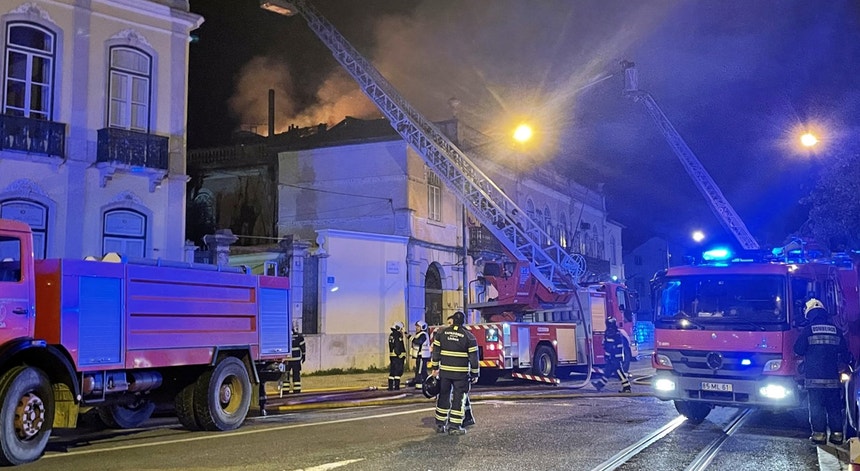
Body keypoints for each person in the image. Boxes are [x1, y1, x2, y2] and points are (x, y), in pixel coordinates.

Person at [794, 298, 850, 445]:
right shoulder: (836, 330)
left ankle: (819, 435)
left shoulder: (808, 330)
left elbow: (798, 349)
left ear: (809, 315)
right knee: (834, 407)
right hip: (832, 379)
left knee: (816, 407)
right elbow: (845, 353)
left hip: (814, 379)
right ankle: (837, 435)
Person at [430, 311, 479, 435]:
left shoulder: (441, 333)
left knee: (443, 396)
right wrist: (475, 374)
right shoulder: (469, 336)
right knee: (459, 398)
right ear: (463, 321)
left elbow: (436, 352)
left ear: (453, 320)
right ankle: (454, 426)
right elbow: (474, 358)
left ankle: (440, 424)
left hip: (445, 373)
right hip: (460, 374)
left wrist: (435, 367)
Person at [591, 317, 631, 393]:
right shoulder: (616, 332)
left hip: (614, 357)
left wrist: (607, 356)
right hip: (615, 356)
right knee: (608, 371)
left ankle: (627, 387)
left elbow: (609, 346)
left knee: (619, 372)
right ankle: (600, 384)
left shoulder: (611, 333)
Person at [281, 326, 306, 396]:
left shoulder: (283, 336)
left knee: (286, 375)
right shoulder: (299, 337)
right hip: (296, 360)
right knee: (296, 374)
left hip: (286, 360)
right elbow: (303, 347)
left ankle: (285, 390)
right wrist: (304, 356)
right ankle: (297, 390)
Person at [407, 321, 431, 389]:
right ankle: (427, 383)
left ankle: (420, 385)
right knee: (421, 371)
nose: (416, 328)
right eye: (416, 326)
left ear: (422, 327)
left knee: (420, 371)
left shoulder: (423, 335)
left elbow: (418, 341)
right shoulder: (419, 334)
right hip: (420, 356)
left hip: (422, 356)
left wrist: (409, 337)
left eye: (418, 326)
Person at [388, 322, 406, 391]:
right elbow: (398, 345)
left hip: (392, 356)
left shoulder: (391, 335)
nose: (401, 330)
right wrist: (400, 355)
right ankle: (396, 387)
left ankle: (390, 387)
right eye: (401, 329)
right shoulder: (397, 335)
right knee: (398, 372)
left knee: (392, 371)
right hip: (397, 357)